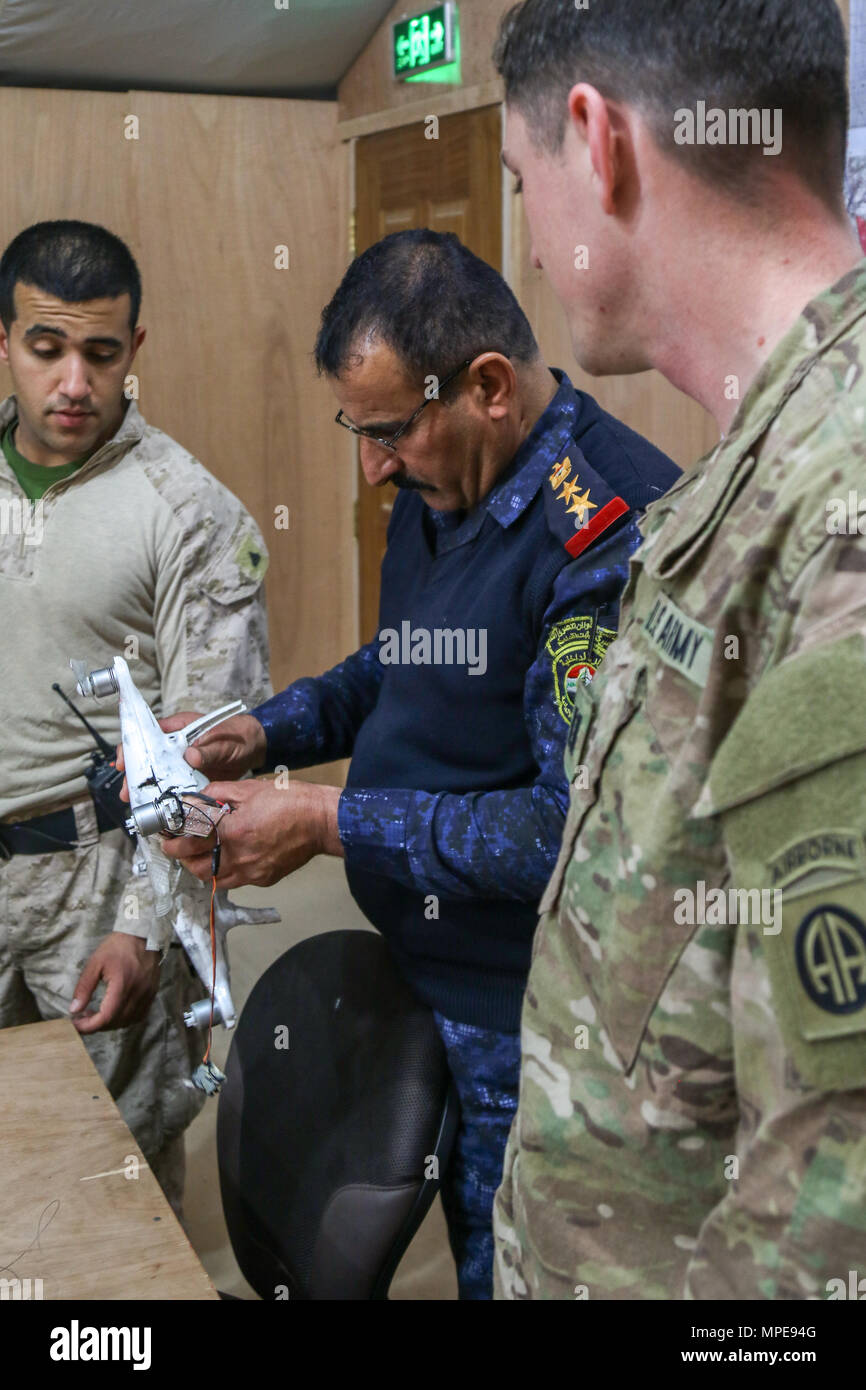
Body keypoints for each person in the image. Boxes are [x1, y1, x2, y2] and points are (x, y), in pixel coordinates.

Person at [149, 228, 679, 1296]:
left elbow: (567, 835)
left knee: (519, 1268)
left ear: (486, 386)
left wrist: (322, 819)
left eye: (387, 430)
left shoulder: (605, 540)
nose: (370, 465)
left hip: (538, 1017)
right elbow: (403, 665)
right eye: (357, 428)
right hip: (427, 971)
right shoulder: (444, 482)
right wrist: (265, 728)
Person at [490, 0, 866, 1299]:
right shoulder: (768, 455)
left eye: (518, 181)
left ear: (594, 144)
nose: (531, 246)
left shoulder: (839, 501)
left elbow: (838, 1195)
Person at [0, 220, 271, 1216]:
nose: (73, 381)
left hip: (102, 876)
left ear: (134, 352)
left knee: (110, 1170)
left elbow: (204, 761)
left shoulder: (187, 511)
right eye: (46, 347)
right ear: (4, 343)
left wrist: (146, 926)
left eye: (100, 353)